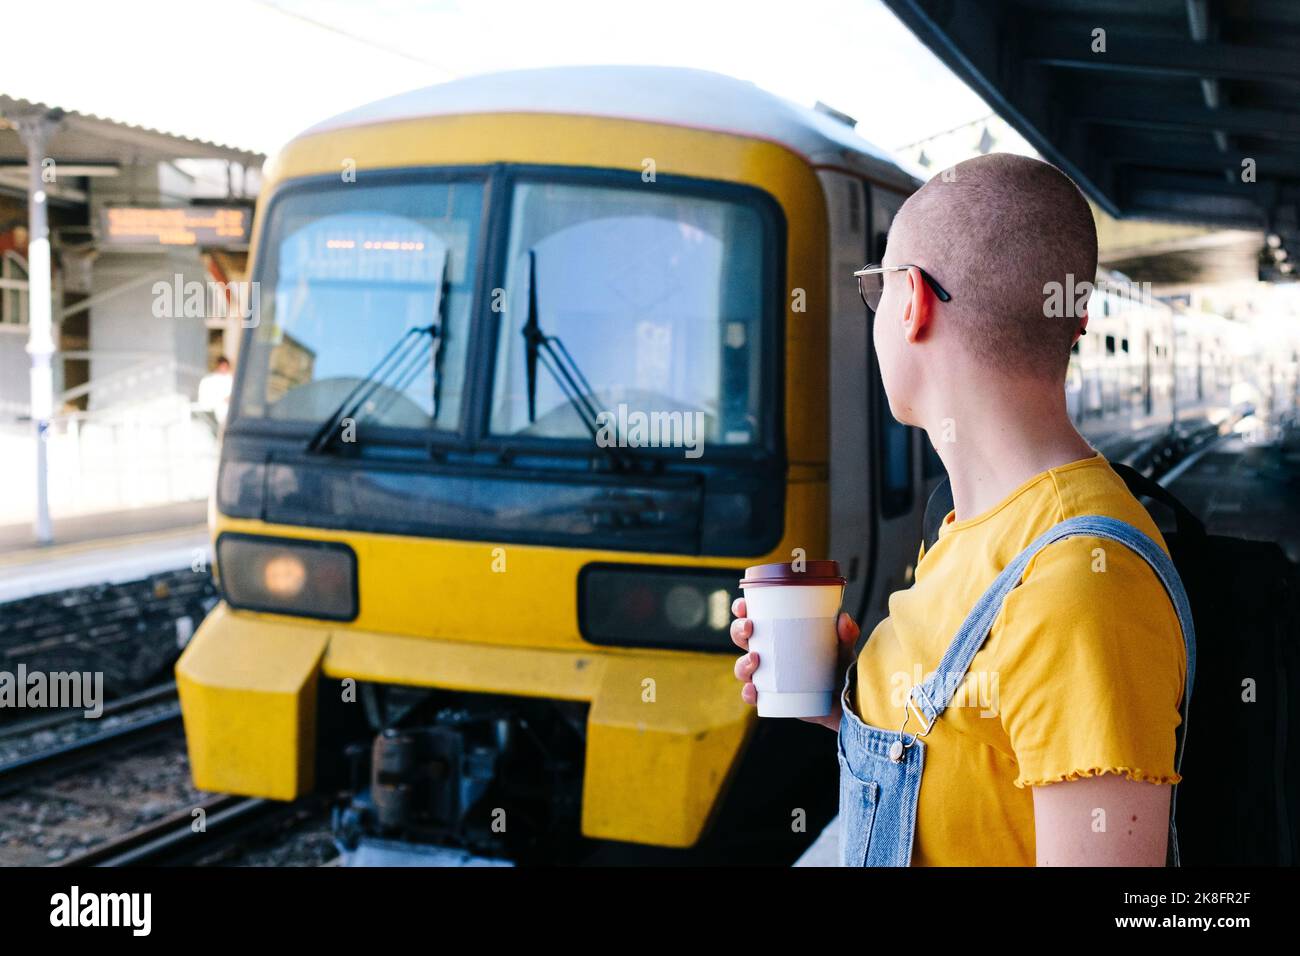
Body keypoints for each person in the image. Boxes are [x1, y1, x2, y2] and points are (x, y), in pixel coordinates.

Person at [731, 154, 1188, 866]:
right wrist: (844, 702)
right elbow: (973, 762)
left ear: (910, 302)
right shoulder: (970, 529)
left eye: (875, 288)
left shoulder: (1079, 586)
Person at [197, 355, 234, 427]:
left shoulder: (231, 379)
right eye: (222, 366)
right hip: (213, 413)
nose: (224, 369)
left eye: (226, 366)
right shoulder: (208, 380)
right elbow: (204, 399)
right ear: (218, 366)